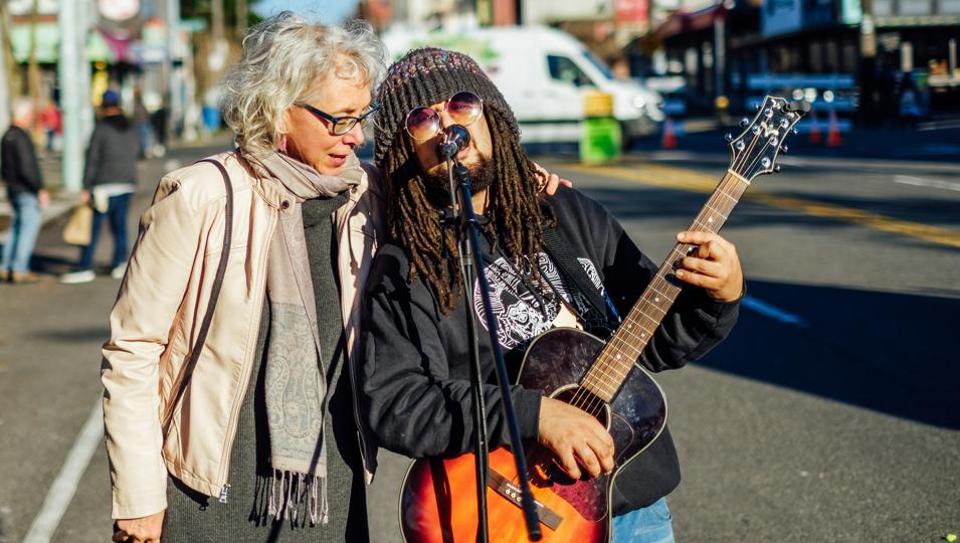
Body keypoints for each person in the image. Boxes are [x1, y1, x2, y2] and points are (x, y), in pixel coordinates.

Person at [100, 14, 567, 543]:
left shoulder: (367, 195)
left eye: (361, 117)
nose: (357, 136)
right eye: (339, 120)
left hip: (332, 486)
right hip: (211, 491)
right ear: (277, 109)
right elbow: (131, 352)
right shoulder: (201, 197)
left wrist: (521, 184)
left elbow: (454, 187)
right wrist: (139, 499)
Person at [361, 48, 744, 542]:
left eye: (462, 104)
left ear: (493, 116)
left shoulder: (565, 211)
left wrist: (720, 295)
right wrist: (534, 415)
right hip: (500, 514)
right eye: (422, 119)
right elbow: (397, 402)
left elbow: (657, 340)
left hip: (630, 510)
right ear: (402, 150)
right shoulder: (407, 264)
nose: (447, 127)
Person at [61, 89, 139, 284]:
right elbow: (138, 150)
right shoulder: (130, 127)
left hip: (104, 186)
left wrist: (86, 186)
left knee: (92, 227)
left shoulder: (101, 128)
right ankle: (119, 262)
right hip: (126, 183)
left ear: (104, 107)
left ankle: (86, 265)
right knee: (120, 226)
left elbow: (93, 158)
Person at [1, 97, 48, 284]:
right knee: (28, 229)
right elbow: (28, 167)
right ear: (24, 115)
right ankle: (20, 268)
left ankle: (5, 265)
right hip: (26, 189)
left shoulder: (7, 136)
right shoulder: (21, 137)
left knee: (16, 228)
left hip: (13, 188)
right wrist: (39, 189)